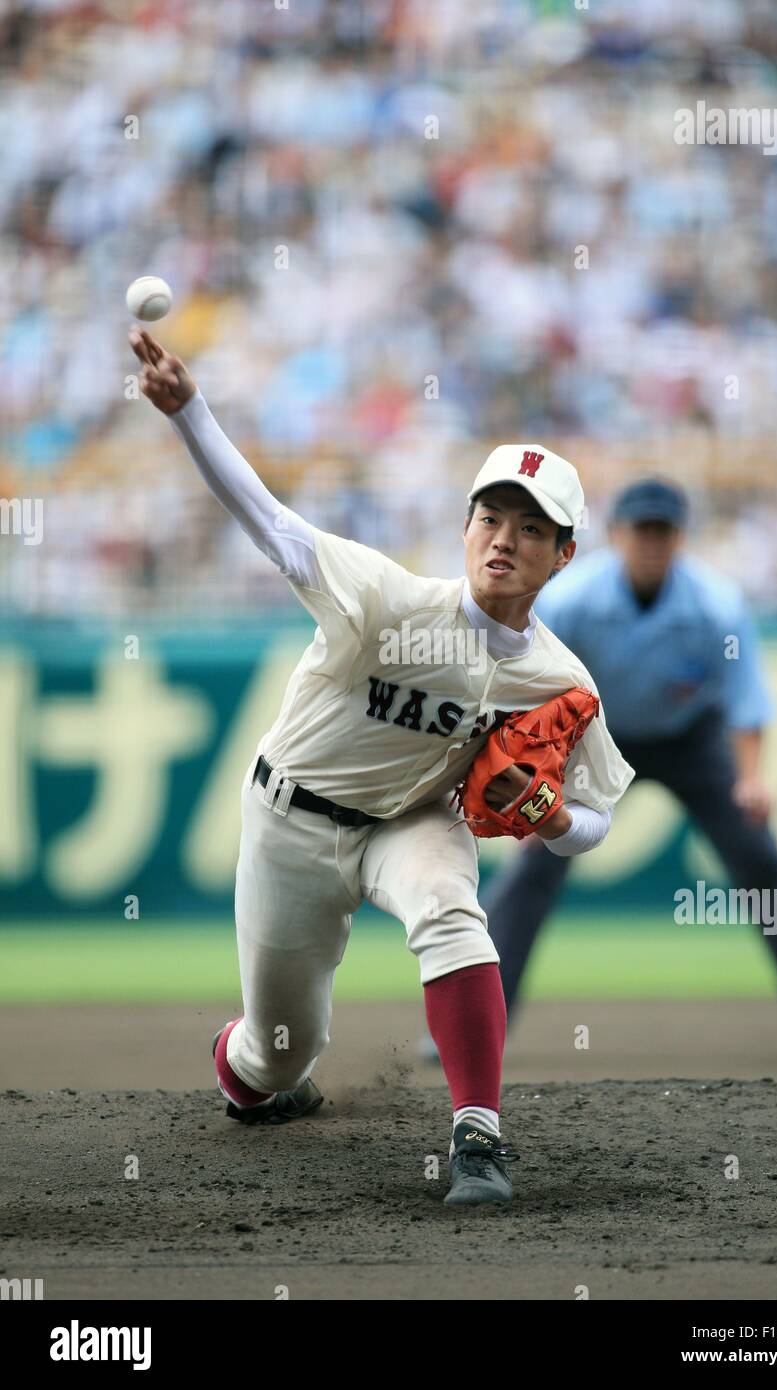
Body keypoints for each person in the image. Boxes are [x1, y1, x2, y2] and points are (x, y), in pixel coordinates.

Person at [128, 327, 634, 1206]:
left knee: (453, 914)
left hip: (412, 820)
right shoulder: (385, 597)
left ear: (565, 556)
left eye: (531, 527)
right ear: (465, 525)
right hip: (292, 820)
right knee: (272, 1057)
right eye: (489, 516)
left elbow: (591, 825)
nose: (503, 539)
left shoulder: (559, 677)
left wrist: (552, 817)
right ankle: (254, 1064)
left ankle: (479, 1138)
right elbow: (274, 526)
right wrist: (190, 412)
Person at [453, 478, 777, 1063]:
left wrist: (749, 778)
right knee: (533, 864)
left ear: (680, 539)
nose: (651, 542)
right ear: (617, 535)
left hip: (690, 738)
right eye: (641, 530)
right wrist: (537, 775)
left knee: (760, 858)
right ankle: (473, 1021)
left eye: (662, 531)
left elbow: (746, 701)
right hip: (598, 735)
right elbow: (533, 683)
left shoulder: (714, 604)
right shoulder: (576, 600)